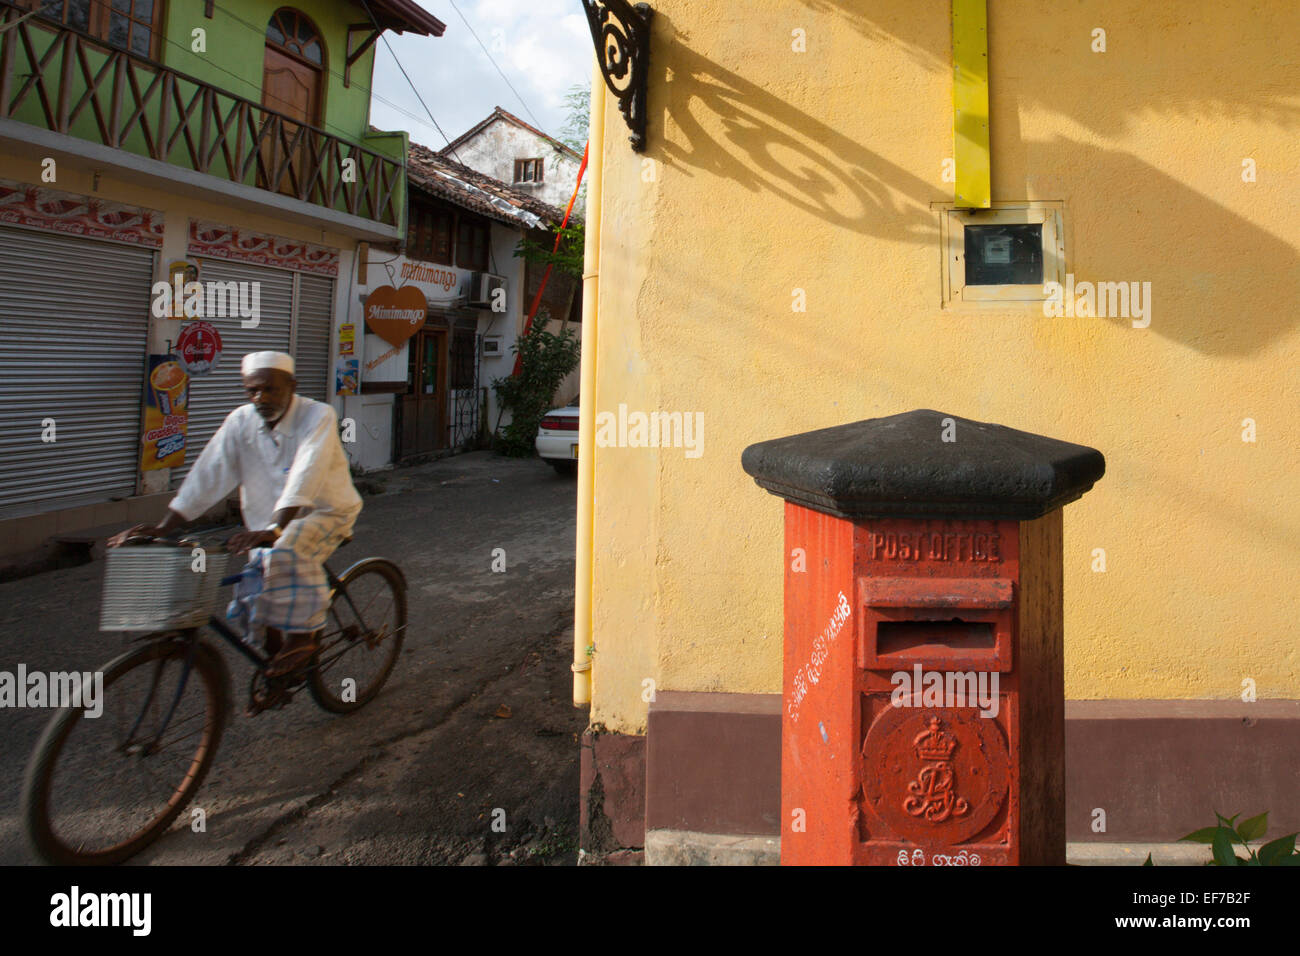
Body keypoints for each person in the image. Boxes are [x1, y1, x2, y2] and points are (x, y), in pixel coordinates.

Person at [109, 351, 362, 678]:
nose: (262, 398)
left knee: (286, 551)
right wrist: (163, 528)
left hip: (325, 511)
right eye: (253, 390)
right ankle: (277, 672)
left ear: (292, 385)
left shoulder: (318, 416)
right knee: (258, 581)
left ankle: (303, 639)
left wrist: (276, 529)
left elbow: (306, 472)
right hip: (266, 523)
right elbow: (207, 474)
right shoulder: (241, 421)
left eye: (271, 389)